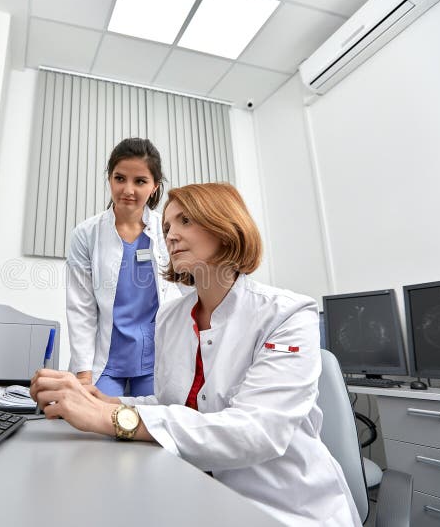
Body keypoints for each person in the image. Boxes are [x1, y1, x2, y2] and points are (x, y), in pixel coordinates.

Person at [33, 183, 360, 526]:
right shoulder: (171, 316)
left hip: (283, 508)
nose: (171, 235)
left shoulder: (287, 314)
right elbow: (172, 405)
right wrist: (109, 402)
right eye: (167, 228)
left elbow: (256, 431)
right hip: (193, 493)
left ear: (225, 226)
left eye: (185, 221)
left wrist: (112, 419)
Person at [66, 138, 180, 397]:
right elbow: (80, 307)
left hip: (155, 358)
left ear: (154, 187)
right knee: (96, 419)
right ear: (109, 179)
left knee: (155, 423)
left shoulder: (168, 231)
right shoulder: (86, 234)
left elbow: (185, 294)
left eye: (140, 181)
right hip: (106, 360)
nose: (128, 189)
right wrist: (83, 375)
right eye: (120, 178)